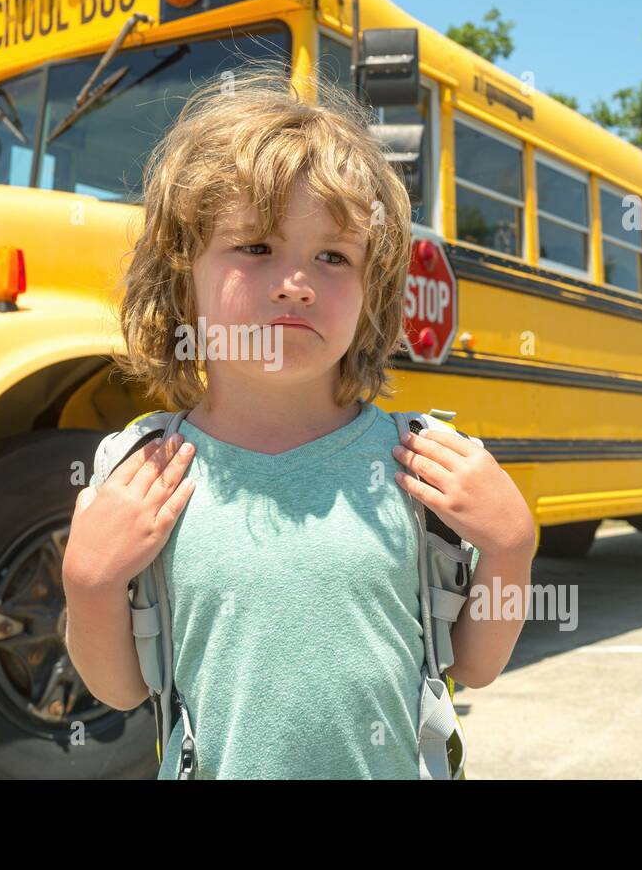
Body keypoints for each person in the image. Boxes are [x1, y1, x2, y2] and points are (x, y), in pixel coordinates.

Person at [63, 62, 535, 779]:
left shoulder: (422, 463)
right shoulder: (144, 473)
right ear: (179, 274)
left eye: (333, 256)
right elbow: (121, 687)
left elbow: (474, 663)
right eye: (255, 246)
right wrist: (88, 581)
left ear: (372, 290)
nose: (297, 282)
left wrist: (512, 548)